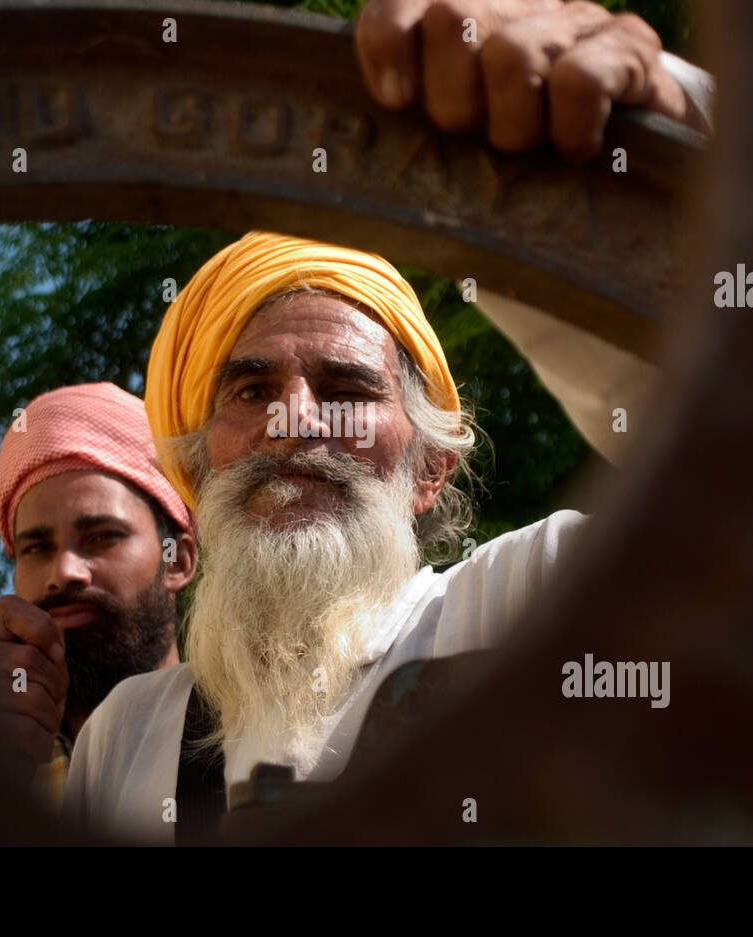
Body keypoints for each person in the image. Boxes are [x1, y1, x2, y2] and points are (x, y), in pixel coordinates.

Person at [63, 0, 715, 842]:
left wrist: (657, 155)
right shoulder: (126, 737)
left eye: (348, 387)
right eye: (250, 390)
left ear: (431, 468)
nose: (294, 424)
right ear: (198, 462)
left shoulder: (537, 596)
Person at [0, 382, 196, 808]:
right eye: (36, 548)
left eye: (101, 537)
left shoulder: (245, 738)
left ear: (177, 561)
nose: (64, 573)